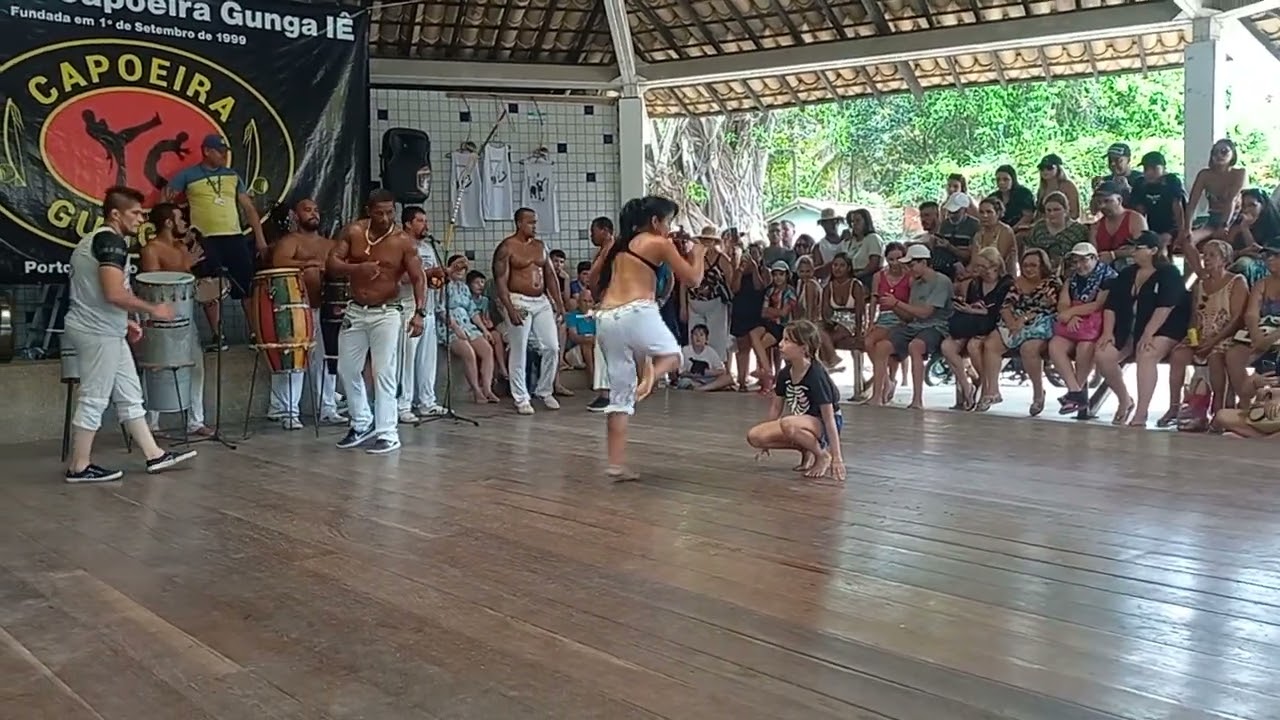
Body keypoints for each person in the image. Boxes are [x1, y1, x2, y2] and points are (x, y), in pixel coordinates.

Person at [64, 186, 196, 482]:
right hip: (96, 331)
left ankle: (154, 455)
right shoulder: (110, 240)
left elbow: (94, 292)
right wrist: (153, 309)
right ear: (115, 214)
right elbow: (113, 292)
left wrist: (124, 323)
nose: (141, 219)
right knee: (94, 398)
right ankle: (79, 467)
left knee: (129, 394)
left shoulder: (97, 241)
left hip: (105, 328)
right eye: (135, 213)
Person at [593, 195, 706, 481]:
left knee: (620, 398)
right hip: (637, 311)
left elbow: (593, 280)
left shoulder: (618, 245)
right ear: (655, 222)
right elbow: (693, 279)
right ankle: (649, 378)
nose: (669, 228)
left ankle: (616, 464)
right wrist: (699, 252)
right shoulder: (658, 242)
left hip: (606, 318)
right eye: (667, 222)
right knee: (673, 356)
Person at [326, 189, 426, 454]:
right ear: (368, 211)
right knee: (347, 369)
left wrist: (420, 313)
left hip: (387, 312)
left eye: (390, 212)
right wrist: (357, 269)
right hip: (356, 311)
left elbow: (419, 278)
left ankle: (388, 432)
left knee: (383, 371)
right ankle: (361, 422)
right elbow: (332, 263)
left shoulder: (403, 241)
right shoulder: (354, 232)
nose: (385, 217)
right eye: (379, 212)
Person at [163, 134, 267, 329]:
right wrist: (179, 232)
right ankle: (217, 335)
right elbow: (165, 201)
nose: (223, 156)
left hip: (234, 237)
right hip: (205, 239)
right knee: (209, 287)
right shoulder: (187, 175)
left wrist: (260, 240)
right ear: (206, 151)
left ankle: (255, 333)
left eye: (225, 152)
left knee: (246, 287)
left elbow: (249, 208)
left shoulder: (233, 176)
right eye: (219, 152)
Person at [138, 202, 213, 437]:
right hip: (158, 318)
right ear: (169, 222)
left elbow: (187, 280)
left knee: (196, 366)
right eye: (180, 219)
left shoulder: (181, 248)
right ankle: (151, 422)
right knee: (157, 365)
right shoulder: (152, 248)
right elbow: (153, 282)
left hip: (184, 315)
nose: (184, 224)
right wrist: (185, 265)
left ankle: (195, 421)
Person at [267, 198, 342, 428]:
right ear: (296, 215)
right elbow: (279, 262)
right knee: (295, 359)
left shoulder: (329, 244)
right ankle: (289, 410)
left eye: (316, 210)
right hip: (296, 309)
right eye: (307, 210)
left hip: (324, 308)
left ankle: (328, 407)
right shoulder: (290, 241)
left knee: (327, 358)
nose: (313, 214)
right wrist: (309, 263)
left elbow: (340, 266)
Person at [745, 320, 846, 480]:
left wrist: (837, 457)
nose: (780, 344)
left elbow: (829, 417)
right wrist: (766, 435)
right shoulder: (786, 373)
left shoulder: (816, 375)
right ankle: (805, 448)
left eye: (787, 340)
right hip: (801, 422)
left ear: (803, 348)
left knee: (789, 423)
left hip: (823, 423)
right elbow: (776, 407)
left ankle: (822, 455)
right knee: (755, 436)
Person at [492, 208, 566, 415]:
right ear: (519, 223)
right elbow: (500, 281)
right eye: (530, 222)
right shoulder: (507, 247)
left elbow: (550, 275)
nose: (535, 226)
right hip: (518, 300)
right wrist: (509, 308)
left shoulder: (540, 246)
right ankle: (521, 397)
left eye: (535, 222)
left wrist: (559, 304)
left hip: (541, 301)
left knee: (552, 346)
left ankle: (545, 390)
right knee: (519, 348)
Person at [397, 206, 448, 422]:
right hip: (407, 307)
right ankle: (402, 405)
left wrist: (443, 277)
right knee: (406, 360)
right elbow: (401, 279)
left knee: (428, 357)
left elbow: (432, 279)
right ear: (408, 223)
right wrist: (429, 273)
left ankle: (427, 401)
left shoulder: (428, 248)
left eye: (425, 220)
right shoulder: (399, 245)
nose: (425, 225)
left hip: (428, 307)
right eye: (420, 220)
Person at [677, 324, 735, 391]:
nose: (698, 337)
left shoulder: (711, 351)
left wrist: (708, 373)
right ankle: (706, 388)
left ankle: (702, 388)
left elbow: (721, 371)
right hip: (693, 380)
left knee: (727, 378)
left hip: (709, 380)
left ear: (706, 339)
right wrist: (694, 374)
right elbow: (681, 373)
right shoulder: (685, 350)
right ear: (691, 337)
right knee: (684, 382)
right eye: (695, 334)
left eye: (701, 335)